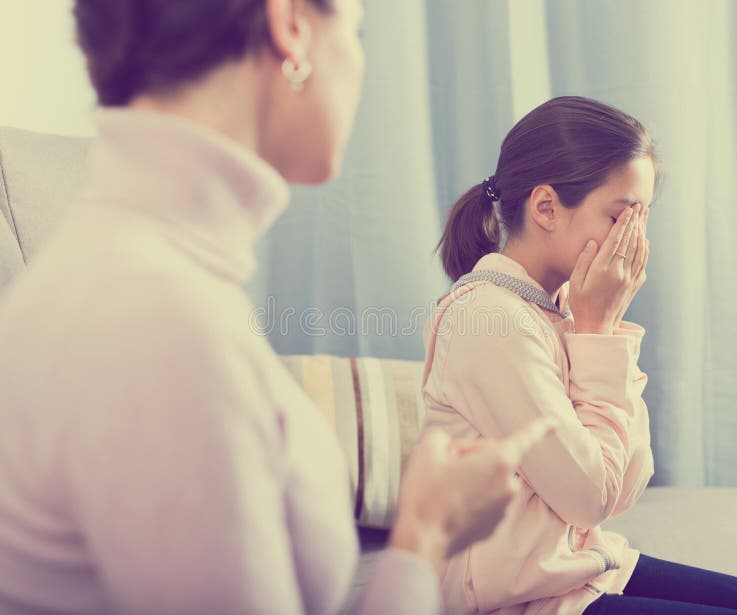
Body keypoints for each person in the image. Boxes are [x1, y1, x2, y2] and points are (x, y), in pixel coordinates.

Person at [0, 1, 555, 614]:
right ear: (291, 26)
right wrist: (424, 539)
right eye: (355, 28)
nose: (358, 61)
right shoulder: (157, 325)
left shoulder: (148, 273)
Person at [424, 95, 737, 614]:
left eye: (641, 219)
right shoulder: (486, 319)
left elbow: (624, 486)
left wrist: (600, 325)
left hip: (587, 568)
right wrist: (600, 331)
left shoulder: (560, 307)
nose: (636, 241)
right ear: (546, 208)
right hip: (524, 600)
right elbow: (589, 498)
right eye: (621, 217)